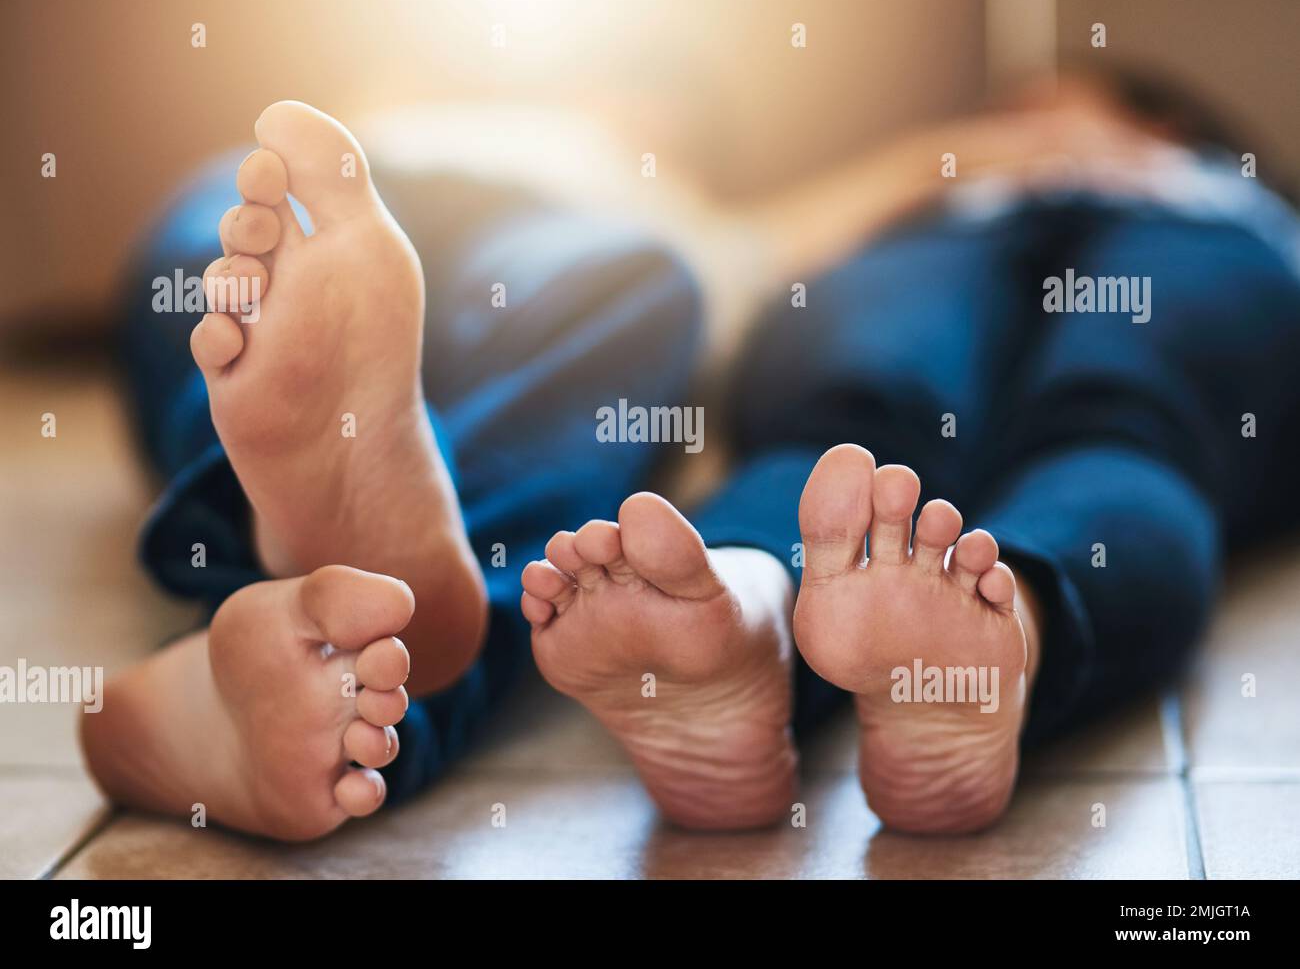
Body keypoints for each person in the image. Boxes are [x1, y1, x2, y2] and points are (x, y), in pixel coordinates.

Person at [81, 71, 1300, 839]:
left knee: (1120, 413)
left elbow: (734, 251)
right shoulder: (895, 201)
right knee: (835, 427)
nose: (1017, 123)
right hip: (848, 252)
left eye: (1051, 103)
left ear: (1164, 121)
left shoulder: (1210, 194)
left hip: (1182, 246)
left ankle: (1002, 643)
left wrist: (1051, 154)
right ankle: (745, 622)